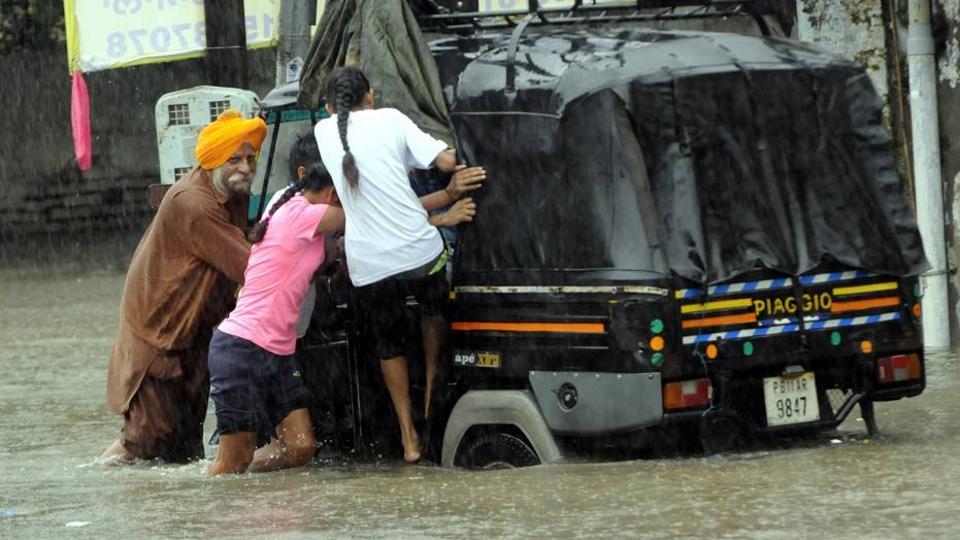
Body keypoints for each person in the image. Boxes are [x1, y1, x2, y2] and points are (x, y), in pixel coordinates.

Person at [314, 66, 485, 463]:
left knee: (388, 345)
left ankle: (408, 438)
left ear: (328, 107)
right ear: (371, 96)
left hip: (367, 266)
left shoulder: (324, 134)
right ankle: (430, 408)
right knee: (433, 316)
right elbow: (444, 161)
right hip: (417, 252)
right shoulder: (390, 119)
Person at [101, 109, 265, 463]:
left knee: (185, 449)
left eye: (250, 158)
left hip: (193, 334)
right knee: (142, 442)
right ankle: (95, 480)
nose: (246, 168)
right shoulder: (193, 203)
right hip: (158, 334)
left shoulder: (232, 193)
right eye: (234, 160)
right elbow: (249, 266)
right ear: (211, 162)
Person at [206, 160, 345, 475]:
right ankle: (211, 506)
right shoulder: (300, 213)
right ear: (334, 193)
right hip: (242, 348)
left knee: (300, 447)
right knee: (233, 462)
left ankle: (252, 494)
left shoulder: (298, 216)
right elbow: (358, 215)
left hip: (279, 352)